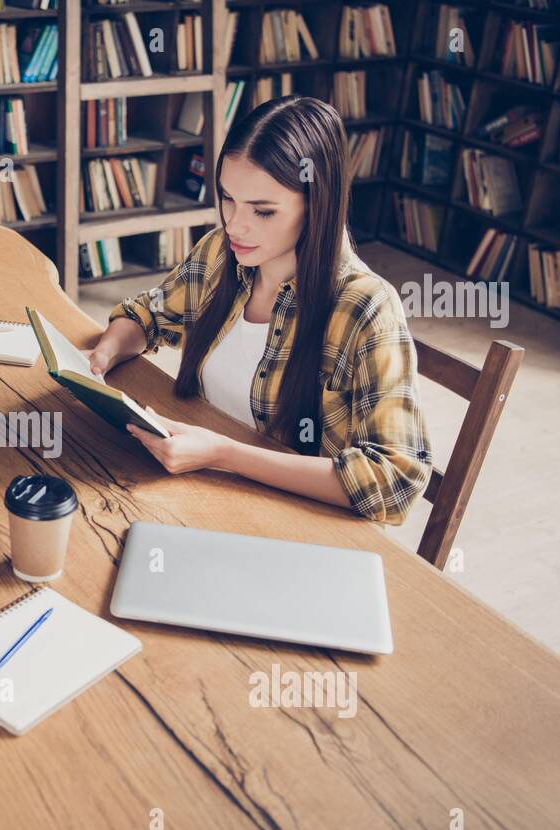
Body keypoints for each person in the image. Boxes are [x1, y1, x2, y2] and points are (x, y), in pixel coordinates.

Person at [86, 95, 432, 525]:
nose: (235, 225)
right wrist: (105, 354)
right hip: (195, 491)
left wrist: (224, 454)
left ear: (317, 204)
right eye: (228, 199)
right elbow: (150, 314)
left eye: (263, 211)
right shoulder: (222, 251)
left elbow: (393, 481)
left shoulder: (365, 309)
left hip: (288, 524)